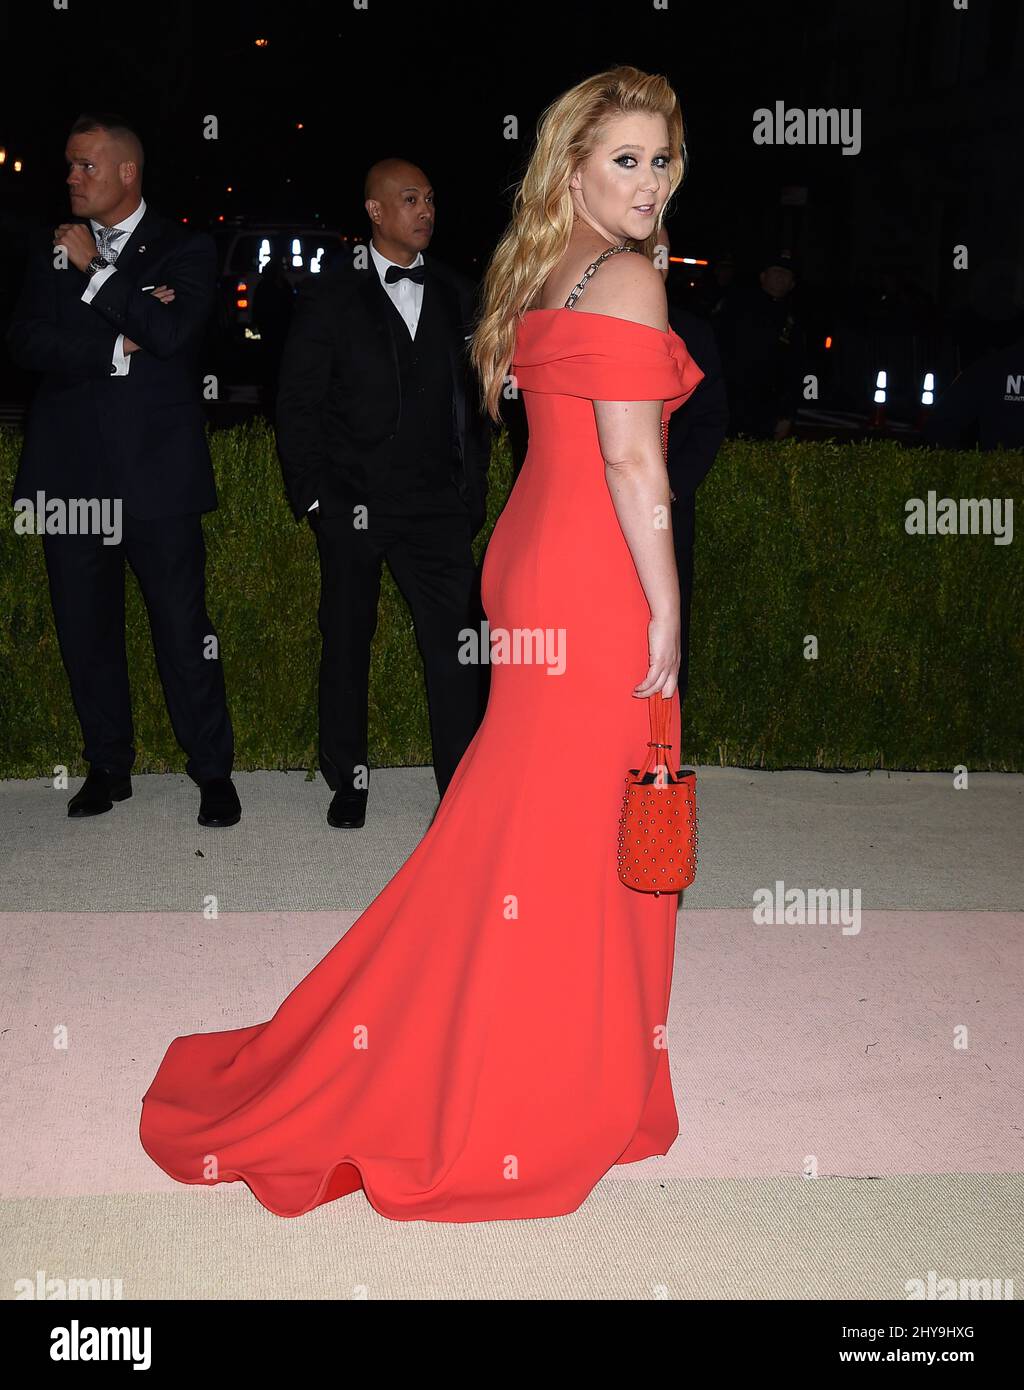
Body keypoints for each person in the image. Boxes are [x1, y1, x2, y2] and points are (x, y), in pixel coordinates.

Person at [140, 65, 703, 1222]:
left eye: (661, 159)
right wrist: (669, 610)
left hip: (524, 557)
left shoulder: (540, 264)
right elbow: (633, 461)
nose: (648, 182)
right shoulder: (631, 275)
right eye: (625, 160)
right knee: (594, 823)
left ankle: (504, 1031)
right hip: (593, 574)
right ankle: (573, 1067)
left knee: (519, 825)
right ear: (574, 166)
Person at [6, 113, 240, 827]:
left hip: (158, 477)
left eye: (85, 166)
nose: (71, 178)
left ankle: (212, 773)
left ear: (127, 173)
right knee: (85, 630)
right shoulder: (50, 249)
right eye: (70, 166)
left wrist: (95, 271)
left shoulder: (186, 249)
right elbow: (24, 340)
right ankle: (108, 766)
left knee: (181, 628)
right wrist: (117, 340)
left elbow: (170, 334)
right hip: (68, 473)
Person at [274, 159, 491, 828]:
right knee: (346, 642)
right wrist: (314, 500)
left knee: (459, 646)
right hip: (351, 505)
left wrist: (469, 487)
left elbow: (480, 403)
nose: (425, 210)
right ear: (374, 210)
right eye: (408, 199)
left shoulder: (459, 293)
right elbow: (297, 403)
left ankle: (464, 788)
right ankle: (349, 780)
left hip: (436, 509)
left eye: (430, 198)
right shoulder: (332, 295)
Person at [657, 233, 729, 702]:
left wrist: (670, 490)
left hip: (667, 509)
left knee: (669, 622)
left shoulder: (692, 332)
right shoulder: (585, 325)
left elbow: (710, 419)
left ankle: (662, 747)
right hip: (592, 507)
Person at [715, 251, 806, 440]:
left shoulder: (796, 321)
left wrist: (787, 414)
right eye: (776, 271)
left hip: (768, 409)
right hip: (729, 402)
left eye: (786, 274)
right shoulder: (736, 307)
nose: (780, 277)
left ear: (792, 284)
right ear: (763, 277)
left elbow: (796, 370)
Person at [924, 334, 1024, 450]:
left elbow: (937, 426)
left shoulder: (992, 366)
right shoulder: (993, 368)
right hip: (996, 465)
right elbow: (939, 426)